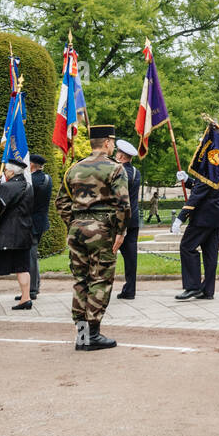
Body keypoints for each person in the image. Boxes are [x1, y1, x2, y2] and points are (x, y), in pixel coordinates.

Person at [56, 125, 130, 350]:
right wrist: (120, 231)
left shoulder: (74, 168)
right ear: (108, 143)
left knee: (81, 280)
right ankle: (93, 334)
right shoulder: (115, 169)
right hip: (102, 230)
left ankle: (81, 335)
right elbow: (123, 204)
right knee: (100, 279)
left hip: (77, 228)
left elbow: (61, 202)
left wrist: (75, 221)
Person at [0, 158, 35, 310]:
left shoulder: (6, 187)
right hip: (23, 234)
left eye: (5, 171)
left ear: (10, 171)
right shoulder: (28, 186)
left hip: (5, 235)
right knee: (22, 268)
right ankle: (26, 297)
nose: (4, 173)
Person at [174, 166, 219, 301]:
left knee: (187, 247)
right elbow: (202, 188)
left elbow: (197, 195)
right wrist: (187, 180)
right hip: (215, 217)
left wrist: (180, 218)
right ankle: (208, 290)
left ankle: (193, 286)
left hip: (203, 218)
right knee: (210, 255)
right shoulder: (218, 168)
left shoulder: (208, 170)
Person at [114, 140, 142, 300]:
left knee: (110, 254)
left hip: (119, 219)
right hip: (133, 219)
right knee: (131, 257)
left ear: (121, 156)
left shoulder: (118, 172)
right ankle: (130, 289)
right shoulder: (136, 172)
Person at [24, 155, 51, 302]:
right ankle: (35, 285)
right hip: (41, 222)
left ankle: (31, 289)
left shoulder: (31, 181)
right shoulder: (47, 178)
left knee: (30, 256)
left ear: (32, 165)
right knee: (33, 256)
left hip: (31, 223)